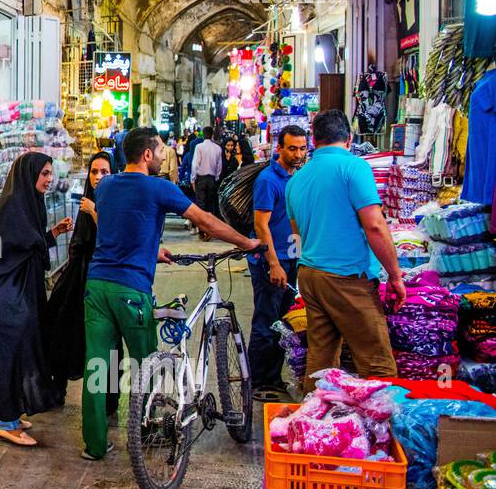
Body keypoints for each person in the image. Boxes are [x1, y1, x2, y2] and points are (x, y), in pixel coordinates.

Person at [82, 127, 259, 460]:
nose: (164, 155)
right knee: (145, 362)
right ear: (147, 155)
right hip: (130, 291)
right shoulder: (159, 188)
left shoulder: (105, 186)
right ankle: (145, 428)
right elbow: (205, 220)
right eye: (160, 149)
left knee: (98, 365)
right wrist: (244, 242)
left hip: (97, 286)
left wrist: (154, 250)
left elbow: (121, 224)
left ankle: (93, 444)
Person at [285, 109, 405, 392]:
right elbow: (375, 226)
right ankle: (386, 430)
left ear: (314, 140)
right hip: (347, 278)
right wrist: (396, 275)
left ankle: (313, 424)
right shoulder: (355, 167)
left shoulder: (296, 180)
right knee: (377, 364)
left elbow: (297, 232)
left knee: (321, 361)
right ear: (349, 139)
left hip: (311, 275)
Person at [0, 153, 73, 446]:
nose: (48, 179)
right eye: (43, 174)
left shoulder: (26, 204)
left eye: (49, 173)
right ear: (28, 175)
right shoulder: (13, 210)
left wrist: (51, 233)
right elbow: (1, 254)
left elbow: (26, 243)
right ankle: (7, 422)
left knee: (17, 352)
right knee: (10, 354)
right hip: (6, 296)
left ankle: (5, 414)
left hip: (15, 292)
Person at [42, 151, 112, 406]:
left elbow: (112, 236)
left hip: (104, 277)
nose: (98, 177)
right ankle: (55, 387)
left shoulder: (106, 203)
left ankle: (108, 399)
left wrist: (94, 212)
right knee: (60, 327)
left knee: (106, 341)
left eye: (104, 172)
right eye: (94, 172)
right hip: (78, 275)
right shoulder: (87, 200)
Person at [247, 125, 308, 401]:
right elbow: (261, 226)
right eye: (292, 148)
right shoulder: (268, 180)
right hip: (271, 261)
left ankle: (273, 378)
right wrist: (273, 263)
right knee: (266, 321)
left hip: (292, 258)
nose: (298, 154)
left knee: (284, 322)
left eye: (302, 148)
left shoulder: (298, 178)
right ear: (279, 149)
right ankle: (259, 382)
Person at [191, 126, 223, 231]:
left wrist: (193, 179)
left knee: (200, 205)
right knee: (209, 205)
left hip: (201, 179)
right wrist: (216, 177)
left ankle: (201, 229)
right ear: (212, 135)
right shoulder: (218, 148)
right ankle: (209, 229)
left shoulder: (199, 147)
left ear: (203, 135)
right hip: (212, 179)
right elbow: (219, 166)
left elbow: (195, 164)